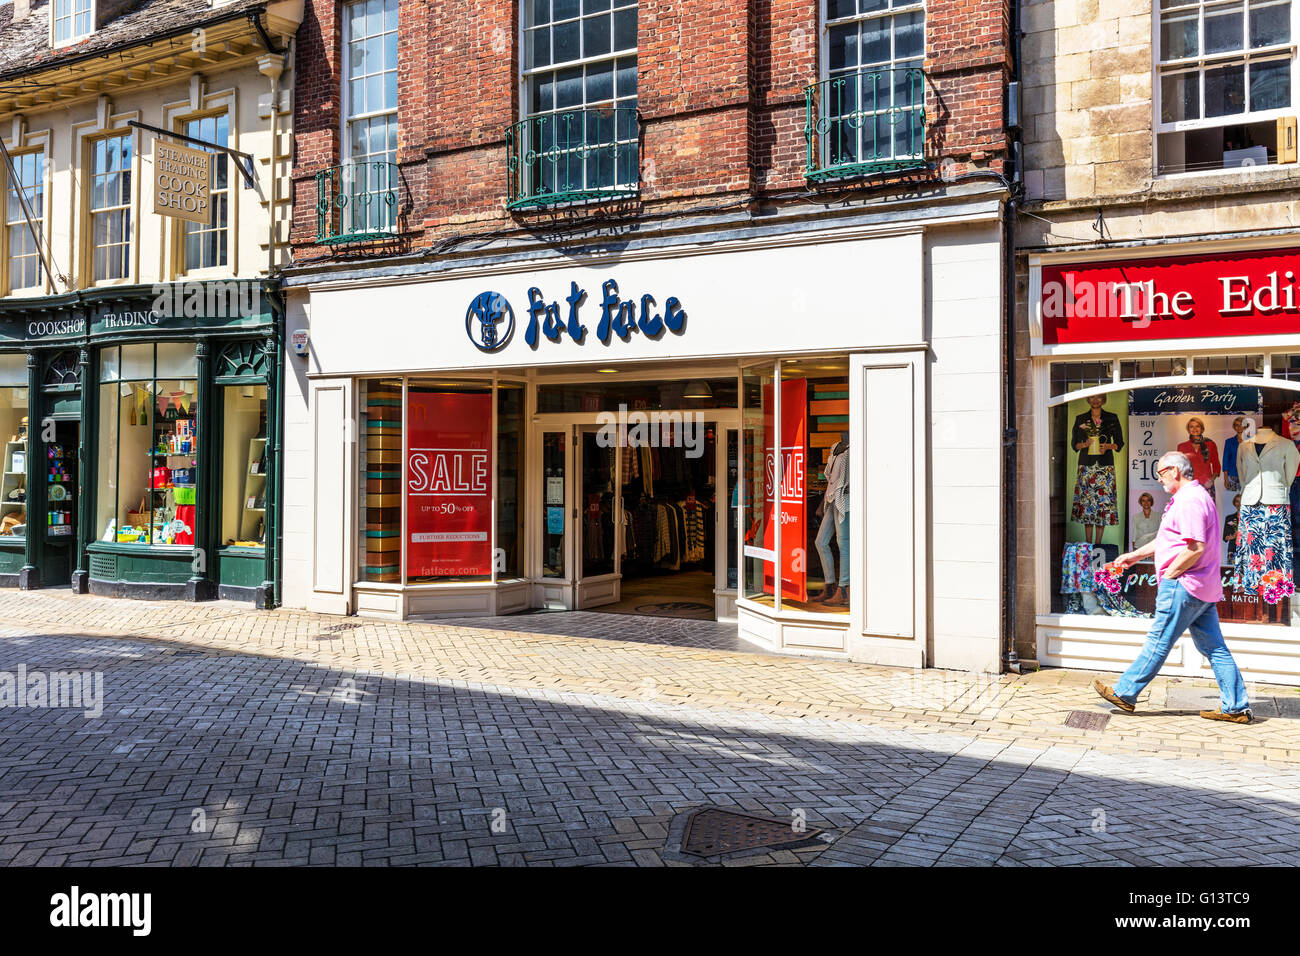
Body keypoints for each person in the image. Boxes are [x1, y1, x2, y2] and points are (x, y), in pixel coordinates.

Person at [1093, 451, 1252, 723]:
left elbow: (1195, 547)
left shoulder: (1190, 500)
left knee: (1159, 640)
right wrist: (1135, 556)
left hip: (1185, 585)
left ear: (1174, 471)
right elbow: (1170, 540)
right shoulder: (1191, 497)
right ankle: (1236, 707)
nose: (1159, 478)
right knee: (1215, 648)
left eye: (1160, 472)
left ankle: (1125, 693)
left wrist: (1170, 574)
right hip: (1200, 586)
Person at [1070, 395, 1123, 545]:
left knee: (1103, 506)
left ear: (1104, 400)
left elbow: (1119, 443)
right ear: (1088, 400)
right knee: (1087, 506)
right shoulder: (1080, 418)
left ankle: (1098, 545)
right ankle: (1088, 545)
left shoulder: (1112, 418)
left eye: (1099, 397)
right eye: (1092, 398)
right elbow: (1074, 445)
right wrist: (1085, 444)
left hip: (1105, 467)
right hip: (1086, 467)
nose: (1095, 400)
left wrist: (1108, 446)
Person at [812, 435, 849, 607]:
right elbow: (830, 477)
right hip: (832, 499)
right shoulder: (835, 447)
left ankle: (844, 590)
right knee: (821, 542)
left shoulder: (854, 449)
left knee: (843, 543)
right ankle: (830, 586)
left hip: (846, 500)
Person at [1177, 417, 1221, 492]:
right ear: (1188, 430)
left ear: (1202, 429)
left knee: (1207, 504)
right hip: (1189, 485)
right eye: (1191, 427)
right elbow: (1179, 468)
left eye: (1197, 426)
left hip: (1207, 485)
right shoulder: (1181, 447)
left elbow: (1216, 465)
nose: (1194, 429)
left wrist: (1211, 480)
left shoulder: (1210, 444)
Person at [1222, 417, 1246, 492]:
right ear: (1234, 427)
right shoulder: (1229, 442)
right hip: (1232, 475)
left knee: (1247, 499)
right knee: (1233, 500)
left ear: (1245, 426)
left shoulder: (1251, 441)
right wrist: (1226, 478)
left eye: (1241, 425)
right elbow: (1225, 461)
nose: (1239, 427)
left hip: (1247, 475)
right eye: (1236, 425)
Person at [1223, 494, 1242, 560]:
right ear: (1234, 503)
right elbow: (1224, 537)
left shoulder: (1248, 518)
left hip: (1245, 549)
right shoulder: (1229, 518)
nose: (1239, 504)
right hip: (1232, 549)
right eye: (1237, 501)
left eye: (1241, 501)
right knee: (1230, 570)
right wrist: (1233, 536)